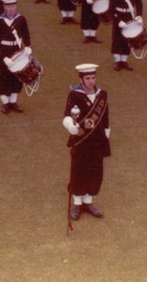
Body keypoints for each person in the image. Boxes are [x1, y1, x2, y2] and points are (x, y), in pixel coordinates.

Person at [63, 63, 111, 221]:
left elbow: (105, 119)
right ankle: (77, 204)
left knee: (96, 172)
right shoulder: (75, 95)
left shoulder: (102, 96)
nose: (91, 81)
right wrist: (70, 126)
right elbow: (68, 115)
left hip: (97, 141)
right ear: (81, 80)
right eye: (88, 78)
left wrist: (106, 136)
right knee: (79, 171)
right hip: (81, 140)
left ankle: (88, 202)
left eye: (93, 78)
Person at [0, 0, 31, 114]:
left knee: (17, 77)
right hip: (5, 51)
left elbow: (25, 34)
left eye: (13, 6)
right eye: (8, 6)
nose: (11, 9)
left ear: (16, 6)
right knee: (5, 76)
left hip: (17, 51)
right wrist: (4, 57)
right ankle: (5, 103)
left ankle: (13, 102)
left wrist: (28, 46)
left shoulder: (21, 19)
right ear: (4, 7)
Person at [109, 0, 143, 71]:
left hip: (129, 16)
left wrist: (139, 16)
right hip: (119, 16)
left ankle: (124, 60)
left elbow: (139, 3)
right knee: (117, 38)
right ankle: (117, 61)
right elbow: (111, 8)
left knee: (127, 39)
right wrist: (118, 20)